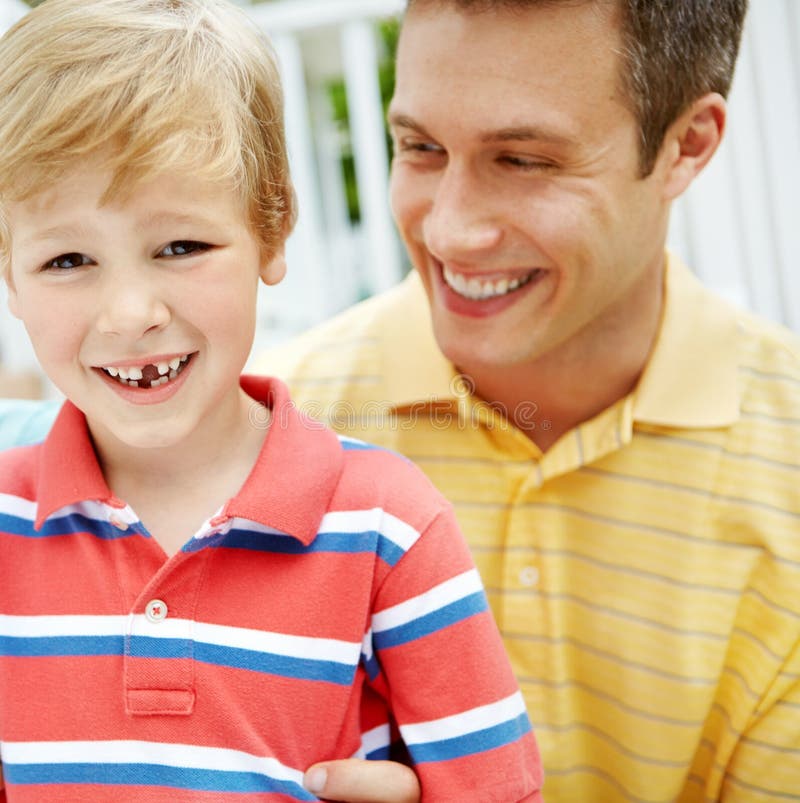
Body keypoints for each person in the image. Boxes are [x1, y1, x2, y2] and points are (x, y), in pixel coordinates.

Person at [252, 1, 800, 801]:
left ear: (687, 145)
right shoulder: (261, 435)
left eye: (524, 161)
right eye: (421, 147)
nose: (450, 229)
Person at [0, 1, 543, 800]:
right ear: (9, 272)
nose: (129, 312)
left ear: (274, 226)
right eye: (68, 259)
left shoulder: (390, 528)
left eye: (179, 246)